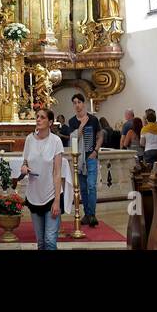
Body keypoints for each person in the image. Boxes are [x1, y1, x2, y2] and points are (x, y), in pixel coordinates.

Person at [17, 109, 64, 250]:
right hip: (34, 195)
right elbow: (25, 162)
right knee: (41, 242)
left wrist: (57, 201)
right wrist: (24, 168)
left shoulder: (56, 141)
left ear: (50, 122)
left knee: (50, 240)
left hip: (51, 195)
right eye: (37, 117)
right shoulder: (29, 140)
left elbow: (57, 172)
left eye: (42, 117)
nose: (38, 119)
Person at [67, 92, 101, 227]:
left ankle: (92, 214)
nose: (77, 105)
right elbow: (74, 138)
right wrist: (81, 125)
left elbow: (100, 136)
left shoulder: (93, 119)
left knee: (92, 186)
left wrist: (96, 150)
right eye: (74, 103)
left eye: (79, 102)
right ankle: (87, 215)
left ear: (84, 104)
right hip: (79, 159)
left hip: (91, 157)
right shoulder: (72, 121)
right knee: (83, 188)